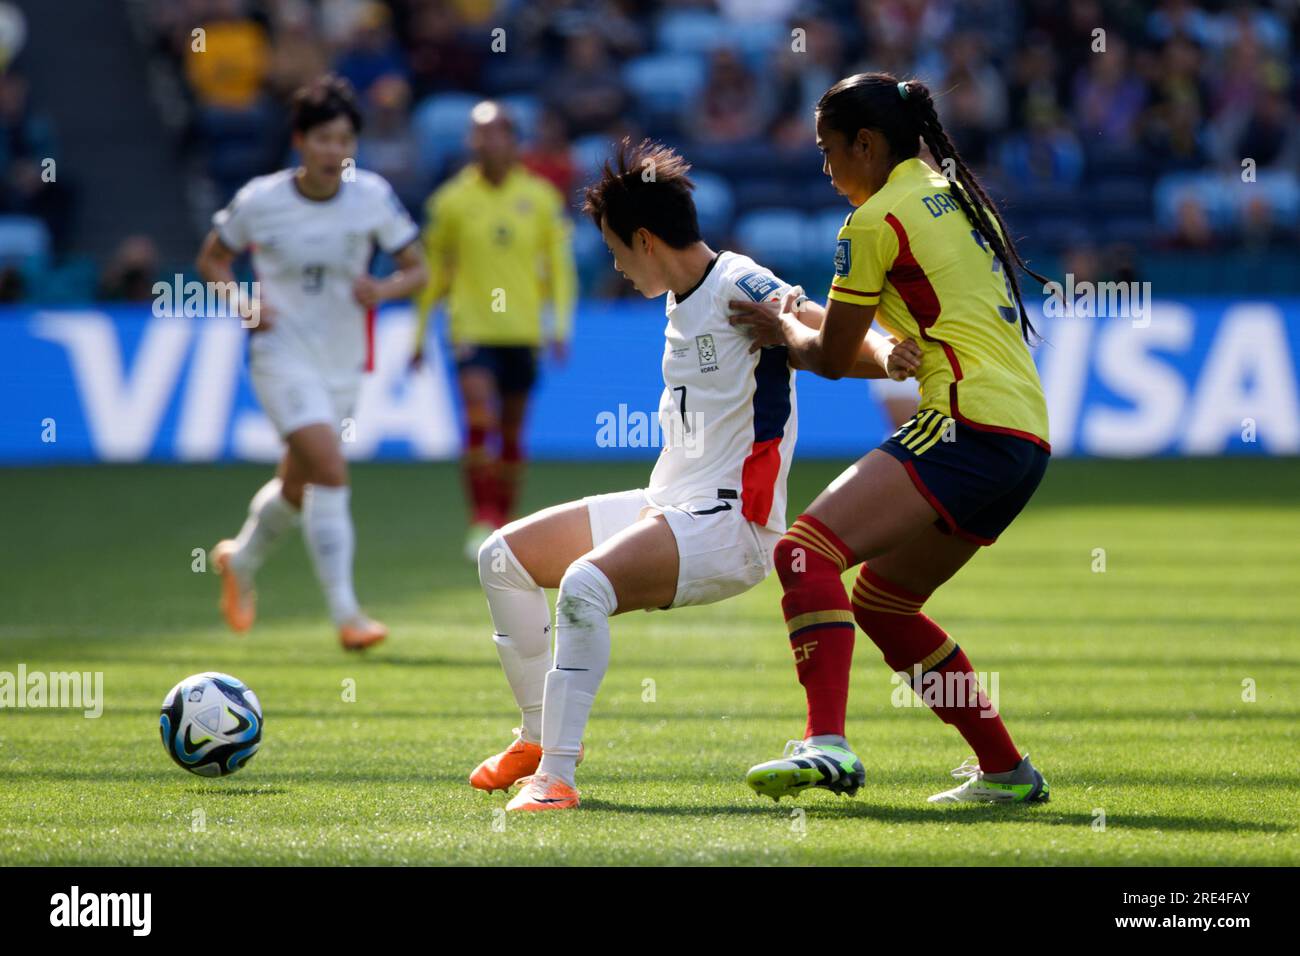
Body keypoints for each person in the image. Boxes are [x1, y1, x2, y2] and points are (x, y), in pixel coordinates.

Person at [471, 138, 920, 812]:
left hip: (731, 522)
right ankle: (537, 737)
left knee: (585, 587)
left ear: (645, 239)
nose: (616, 265)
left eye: (617, 249)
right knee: (501, 557)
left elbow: (823, 332)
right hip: (670, 503)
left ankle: (556, 776)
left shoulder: (739, 281)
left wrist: (889, 356)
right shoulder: (683, 296)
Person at [730, 73, 1052, 805]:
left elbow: (833, 359)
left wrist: (783, 328)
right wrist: (809, 319)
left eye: (829, 150)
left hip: (964, 421)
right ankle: (1007, 772)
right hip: (1024, 436)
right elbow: (893, 325)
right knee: (884, 603)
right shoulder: (958, 199)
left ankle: (827, 745)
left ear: (866, 144)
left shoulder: (876, 220)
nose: (826, 168)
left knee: (803, 551)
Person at [199, 75, 427, 650]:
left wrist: (386, 289)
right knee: (329, 470)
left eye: (346, 139)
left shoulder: (371, 196)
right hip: (280, 355)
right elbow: (213, 260)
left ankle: (241, 558)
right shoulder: (261, 200)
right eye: (324, 138)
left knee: (298, 485)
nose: (336, 152)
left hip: (343, 361)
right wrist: (241, 302)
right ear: (301, 140)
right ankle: (349, 616)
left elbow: (418, 269)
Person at [411, 101, 576, 560]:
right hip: (471, 328)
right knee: (479, 417)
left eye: (497, 132)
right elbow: (433, 273)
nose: (487, 141)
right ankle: (480, 517)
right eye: (479, 133)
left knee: (512, 433)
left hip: (523, 331)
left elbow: (560, 268)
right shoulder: (449, 202)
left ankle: (504, 520)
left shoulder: (541, 198)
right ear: (471, 141)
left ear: (514, 141)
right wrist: (418, 332)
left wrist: (559, 324)